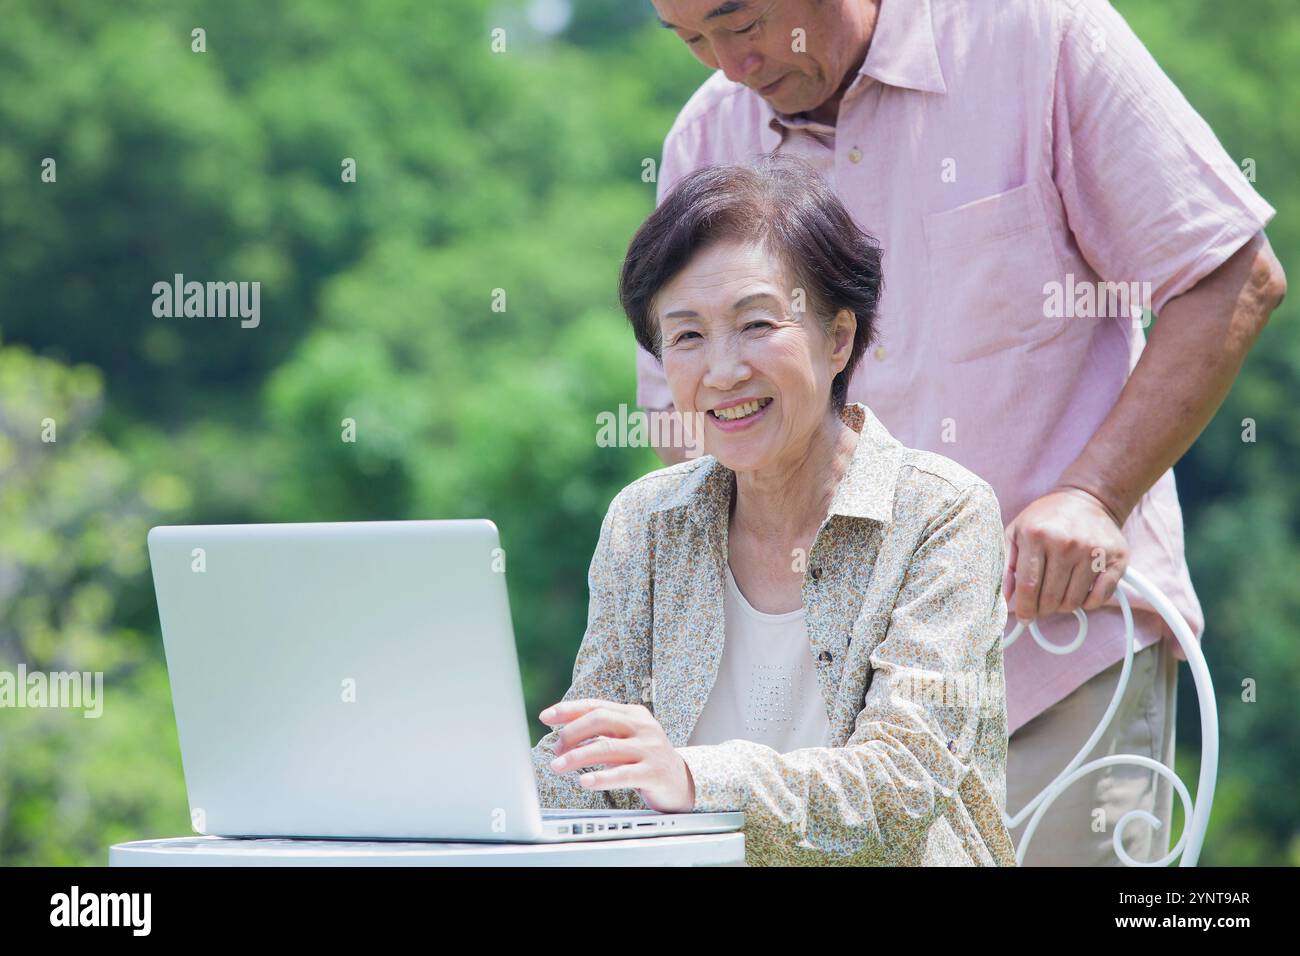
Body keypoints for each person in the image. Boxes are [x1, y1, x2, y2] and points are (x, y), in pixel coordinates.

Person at [636, 0, 1286, 864]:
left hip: (1057, 655)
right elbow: (687, 419)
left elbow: (1229, 276)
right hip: (818, 723)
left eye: (739, 22)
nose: (727, 64)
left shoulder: (1039, 34)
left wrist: (1094, 494)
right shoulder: (704, 141)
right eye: (690, 40)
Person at [531, 155, 1016, 866]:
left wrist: (694, 776)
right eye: (688, 336)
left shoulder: (943, 515)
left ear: (839, 337)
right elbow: (592, 766)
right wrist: (466, 795)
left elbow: (901, 787)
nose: (723, 371)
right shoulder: (645, 519)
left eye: (757, 324)